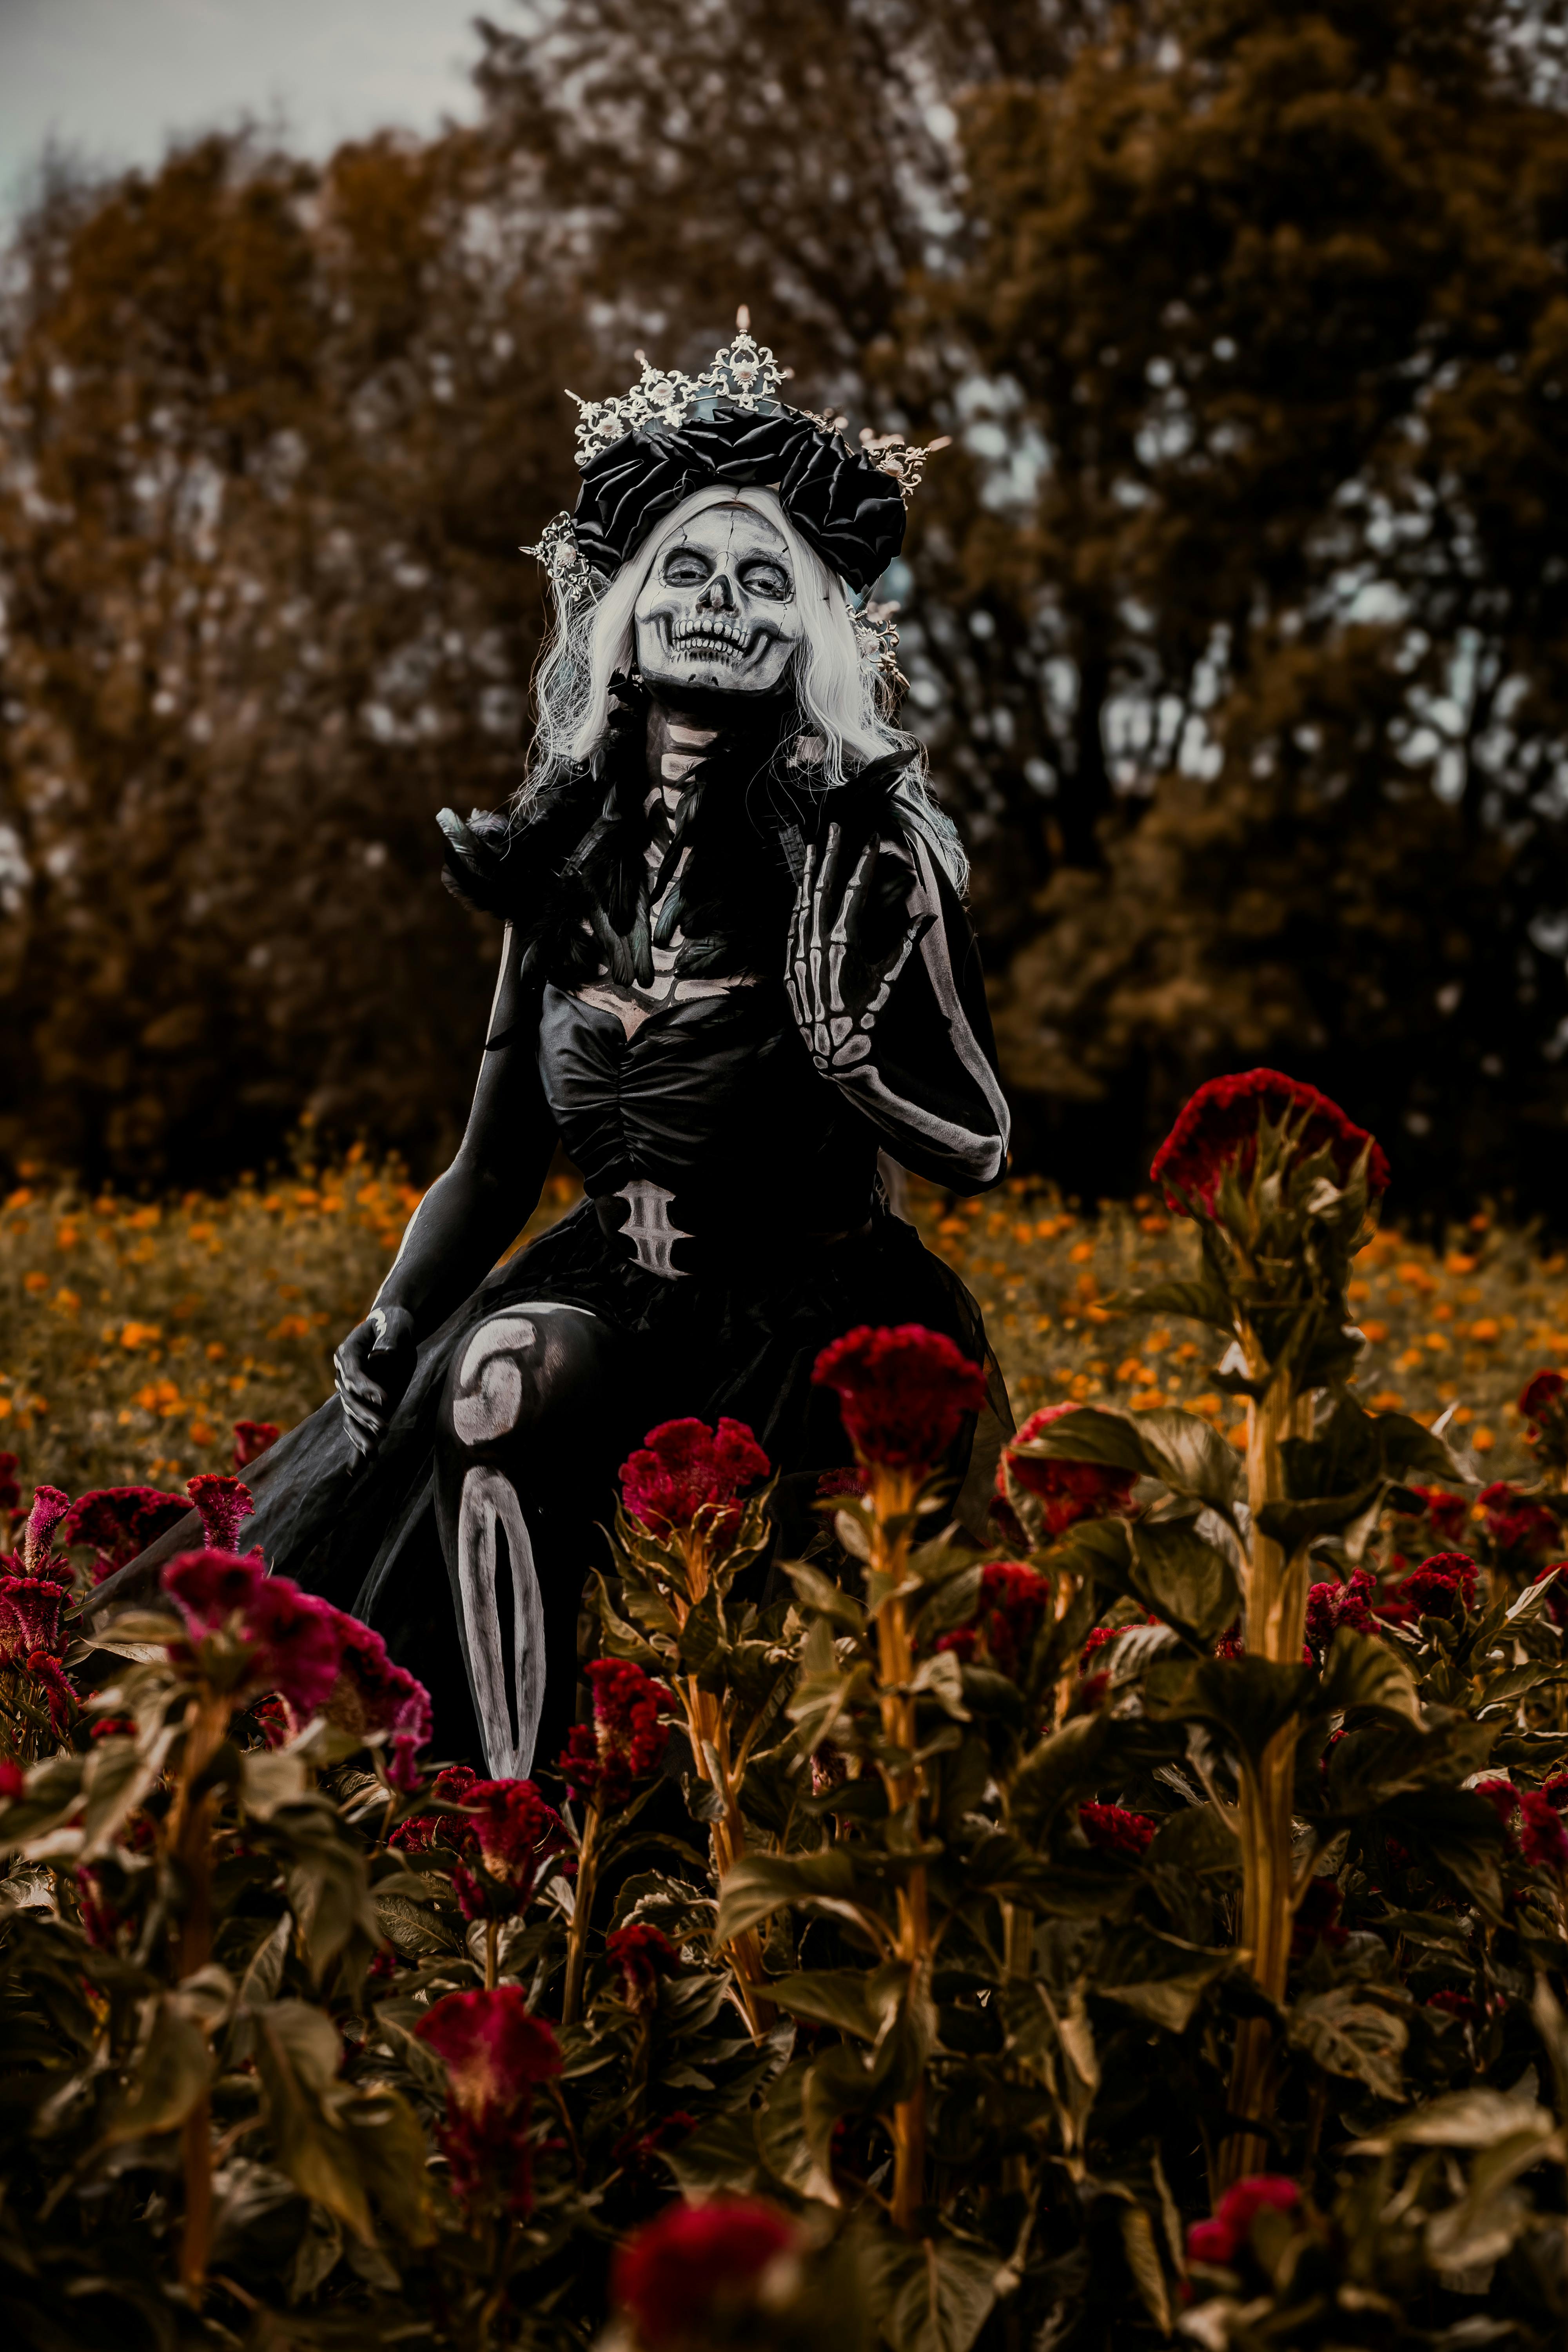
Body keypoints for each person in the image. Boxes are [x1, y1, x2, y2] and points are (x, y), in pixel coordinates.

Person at [91, 320, 1012, 1776]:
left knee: (835, 1709)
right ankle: (514, 1807)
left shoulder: (866, 847)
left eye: (763, 580)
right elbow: (495, 1153)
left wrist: (851, 1046)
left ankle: (758, 1841)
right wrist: (397, 1313)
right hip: (612, 1290)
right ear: (629, 617)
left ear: (808, 631)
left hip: (802, 1318)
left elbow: (977, 1142)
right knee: (497, 1376)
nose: (719, 605)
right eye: (687, 576)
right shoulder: (560, 865)